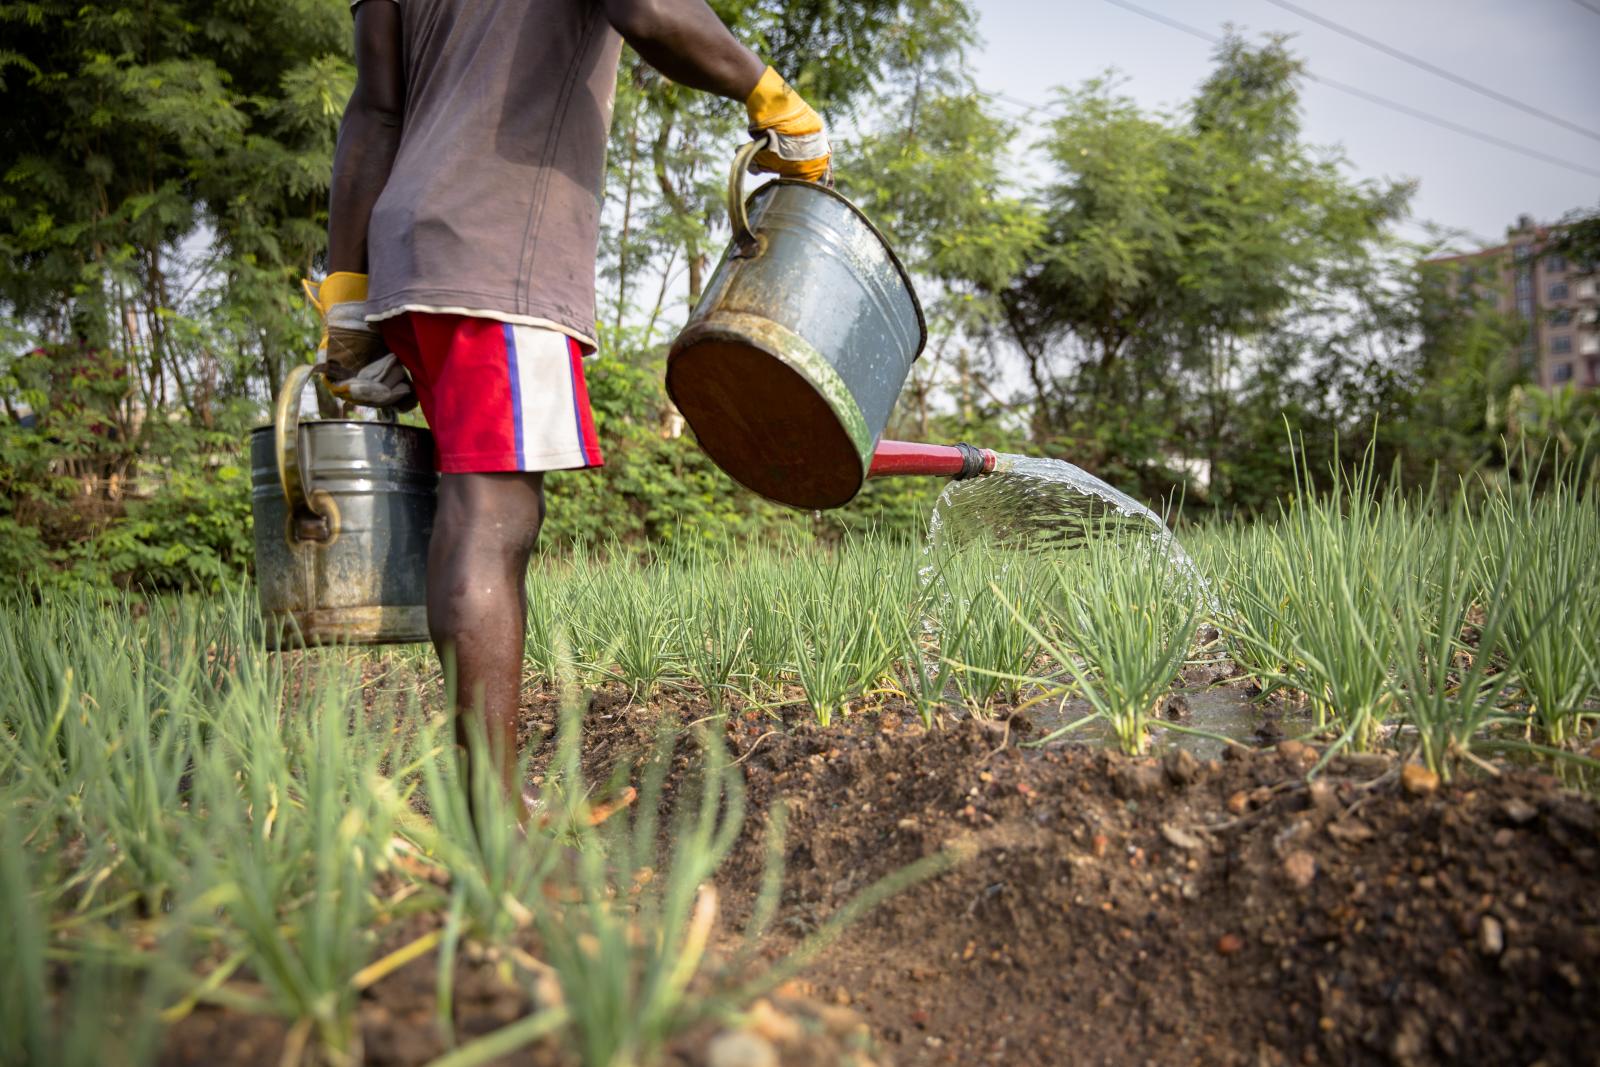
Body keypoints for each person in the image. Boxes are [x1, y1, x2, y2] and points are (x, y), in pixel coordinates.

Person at [307, 0, 829, 814]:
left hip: (408, 247)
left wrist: (346, 291)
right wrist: (770, 95)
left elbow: (375, 107)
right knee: (493, 521)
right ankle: (492, 826)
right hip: (496, 250)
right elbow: (651, 10)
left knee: (468, 512)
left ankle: (491, 804)